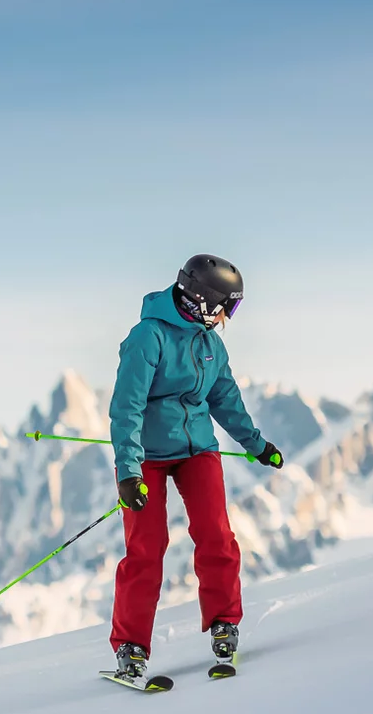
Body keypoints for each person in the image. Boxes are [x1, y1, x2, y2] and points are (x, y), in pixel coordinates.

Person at [107, 253, 284, 683]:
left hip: (198, 450)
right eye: (227, 305)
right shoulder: (147, 338)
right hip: (146, 456)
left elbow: (226, 399)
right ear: (203, 300)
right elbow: (126, 408)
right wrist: (129, 472)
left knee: (216, 535)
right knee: (146, 548)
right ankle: (131, 647)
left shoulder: (210, 344)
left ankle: (225, 621)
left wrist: (256, 444)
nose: (228, 315)